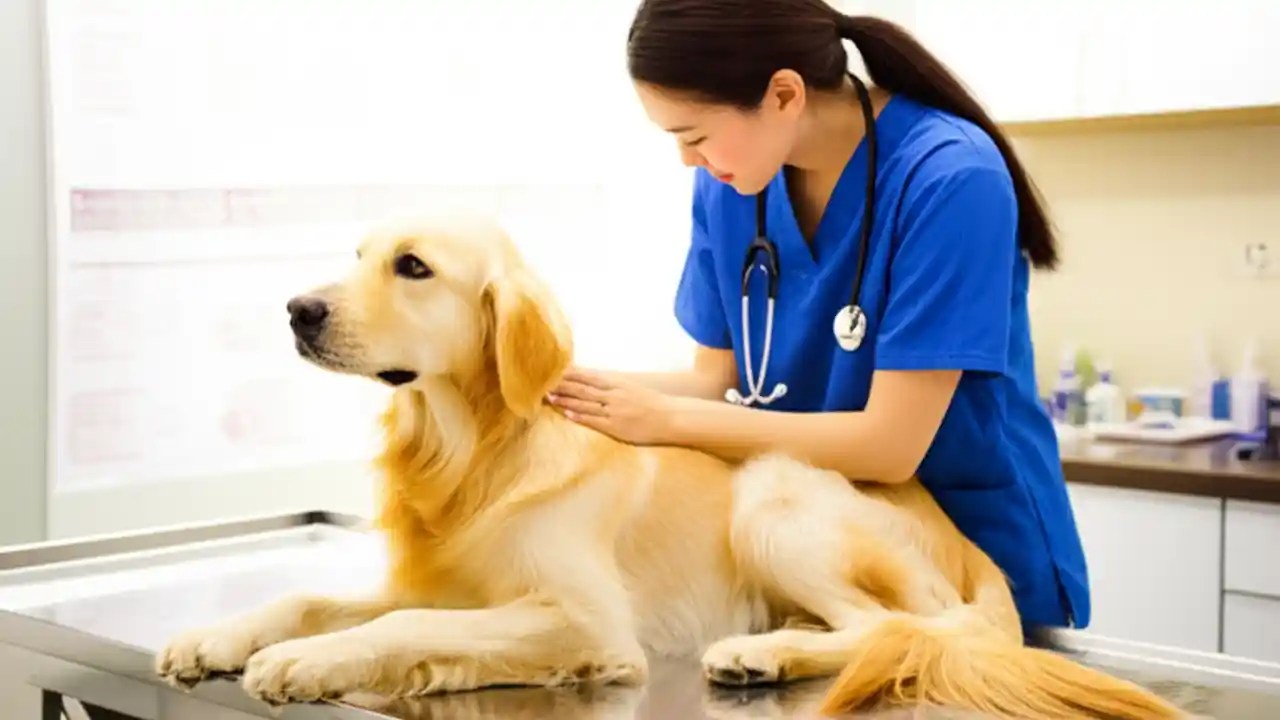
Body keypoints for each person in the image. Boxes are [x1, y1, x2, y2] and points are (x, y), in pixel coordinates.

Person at [546, 0, 1090, 636]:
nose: (688, 161)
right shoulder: (732, 183)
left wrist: (664, 420)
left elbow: (889, 447)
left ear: (783, 94)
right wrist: (559, 388)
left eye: (693, 136)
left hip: (966, 574)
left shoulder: (949, 176)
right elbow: (715, 381)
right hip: (822, 556)